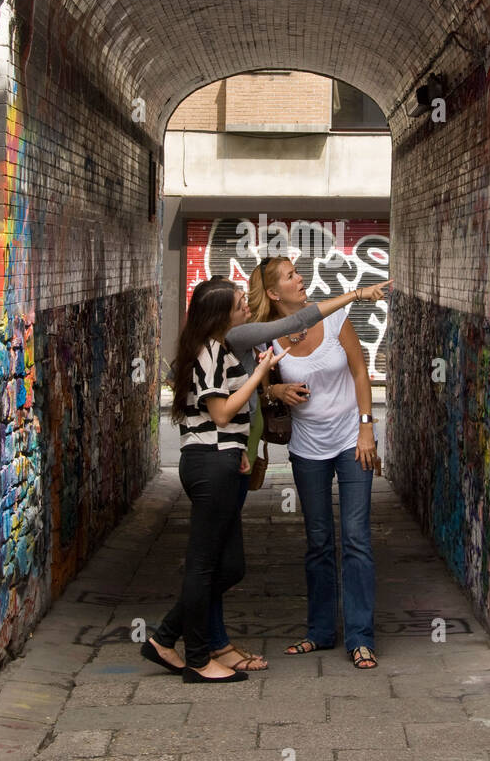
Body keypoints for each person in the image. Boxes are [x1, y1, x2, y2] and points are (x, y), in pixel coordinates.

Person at [143, 273, 387, 681]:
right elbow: (222, 411)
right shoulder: (220, 347)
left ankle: (190, 640)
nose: (246, 307)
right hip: (212, 463)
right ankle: (194, 655)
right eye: (240, 303)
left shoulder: (228, 342)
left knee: (229, 565)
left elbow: (237, 407)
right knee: (208, 565)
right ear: (223, 315)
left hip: (230, 458)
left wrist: (244, 446)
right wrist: (265, 379)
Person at [249, 256, 391, 669]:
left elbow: (361, 371)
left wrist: (367, 428)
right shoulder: (267, 340)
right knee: (318, 541)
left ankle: (361, 637)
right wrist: (278, 392)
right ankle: (321, 631)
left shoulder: (333, 319)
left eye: (298, 272)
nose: (301, 279)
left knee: (356, 537)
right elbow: (256, 387)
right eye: (291, 276)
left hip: (352, 440)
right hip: (307, 449)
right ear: (275, 293)